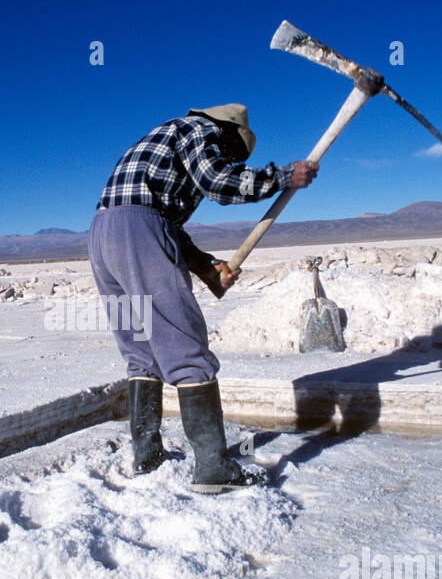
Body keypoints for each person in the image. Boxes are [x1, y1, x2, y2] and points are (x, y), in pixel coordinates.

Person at [88, 103, 317, 493]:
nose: (228, 158)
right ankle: (213, 469)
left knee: (140, 350)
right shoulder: (200, 130)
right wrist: (281, 177)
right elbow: (216, 181)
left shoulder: (162, 142)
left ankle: (147, 456)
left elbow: (164, 225)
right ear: (228, 131)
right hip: (139, 230)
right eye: (233, 152)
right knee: (183, 344)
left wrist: (208, 267)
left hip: (101, 235)